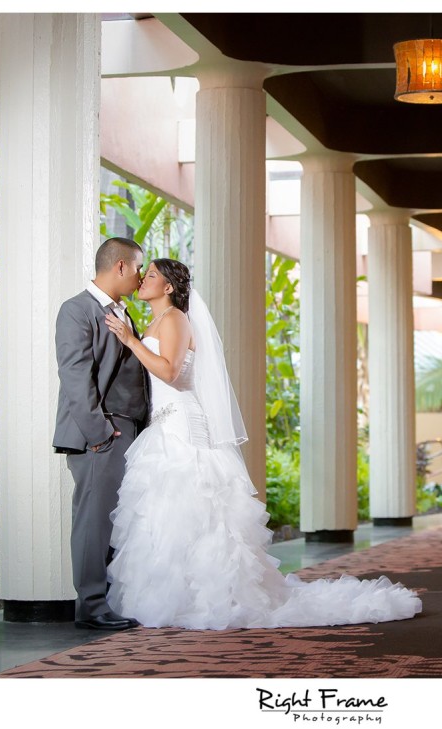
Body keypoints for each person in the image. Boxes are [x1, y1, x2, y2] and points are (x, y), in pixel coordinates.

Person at [103, 258, 422, 629]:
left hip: (183, 427)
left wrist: (128, 340)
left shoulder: (175, 319)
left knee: (197, 510)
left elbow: (171, 372)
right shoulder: (157, 320)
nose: (143, 279)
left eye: (152, 275)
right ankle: (176, 595)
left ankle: (212, 597)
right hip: (162, 426)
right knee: (166, 514)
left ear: (169, 288)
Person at [53, 237, 151, 630]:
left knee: (116, 520)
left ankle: (108, 600)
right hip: (102, 432)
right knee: (94, 520)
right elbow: (75, 376)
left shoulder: (121, 312)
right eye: (139, 267)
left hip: (128, 429)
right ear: (122, 266)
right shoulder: (77, 310)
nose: (141, 276)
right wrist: (101, 432)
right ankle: (91, 607)